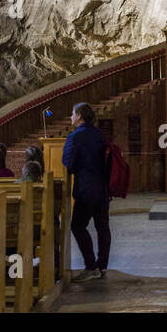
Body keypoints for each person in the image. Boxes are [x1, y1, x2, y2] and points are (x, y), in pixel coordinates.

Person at [63, 102, 110, 280]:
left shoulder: (75, 137)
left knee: (78, 226)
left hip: (85, 189)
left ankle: (91, 267)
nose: (71, 117)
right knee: (103, 228)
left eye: (73, 114)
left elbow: (68, 163)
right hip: (102, 189)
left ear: (80, 116)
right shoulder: (100, 135)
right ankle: (103, 266)